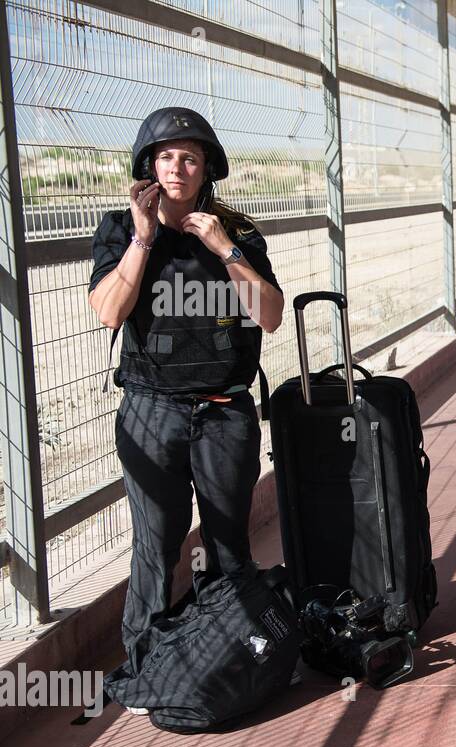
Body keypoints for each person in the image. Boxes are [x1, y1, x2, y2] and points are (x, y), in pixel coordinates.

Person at [88, 107, 284, 697]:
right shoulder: (122, 230)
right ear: (149, 166)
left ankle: (232, 658)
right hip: (152, 410)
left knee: (228, 541)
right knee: (158, 542)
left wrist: (224, 248)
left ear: (207, 170)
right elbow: (107, 312)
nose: (177, 167)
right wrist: (145, 240)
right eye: (167, 156)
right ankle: (147, 667)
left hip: (225, 410)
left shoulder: (240, 233)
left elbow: (270, 316)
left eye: (190, 157)